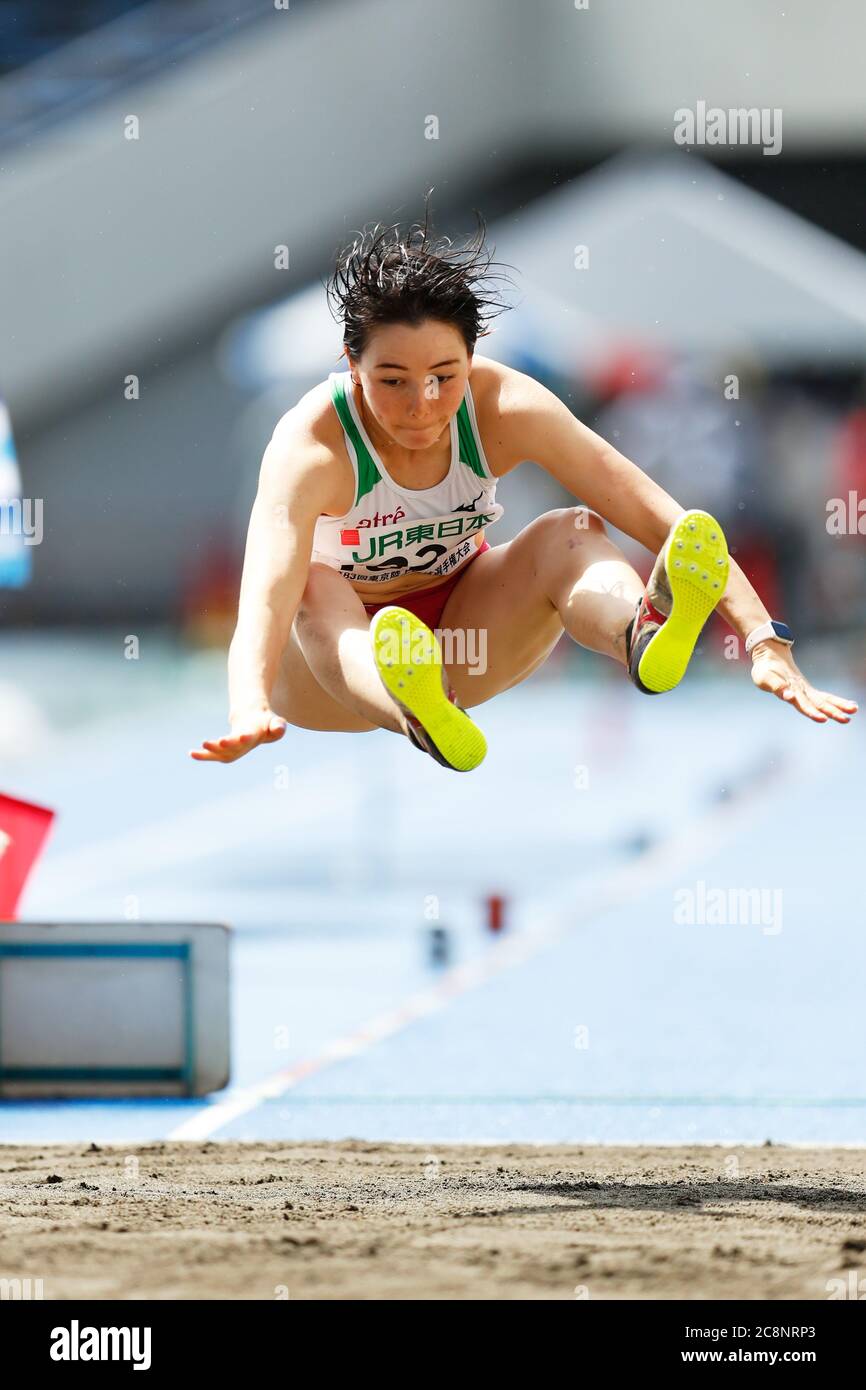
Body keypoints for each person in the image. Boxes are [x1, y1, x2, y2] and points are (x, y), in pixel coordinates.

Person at [190, 213, 857, 771]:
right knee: (314, 581)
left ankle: (642, 635)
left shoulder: (508, 407)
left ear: (473, 358)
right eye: (392, 380)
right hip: (326, 676)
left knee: (570, 532)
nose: (422, 406)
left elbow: (660, 518)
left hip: (468, 641)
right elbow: (266, 593)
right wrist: (248, 703)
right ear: (350, 362)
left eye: (444, 377)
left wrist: (763, 640)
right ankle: (407, 703)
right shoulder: (311, 447)